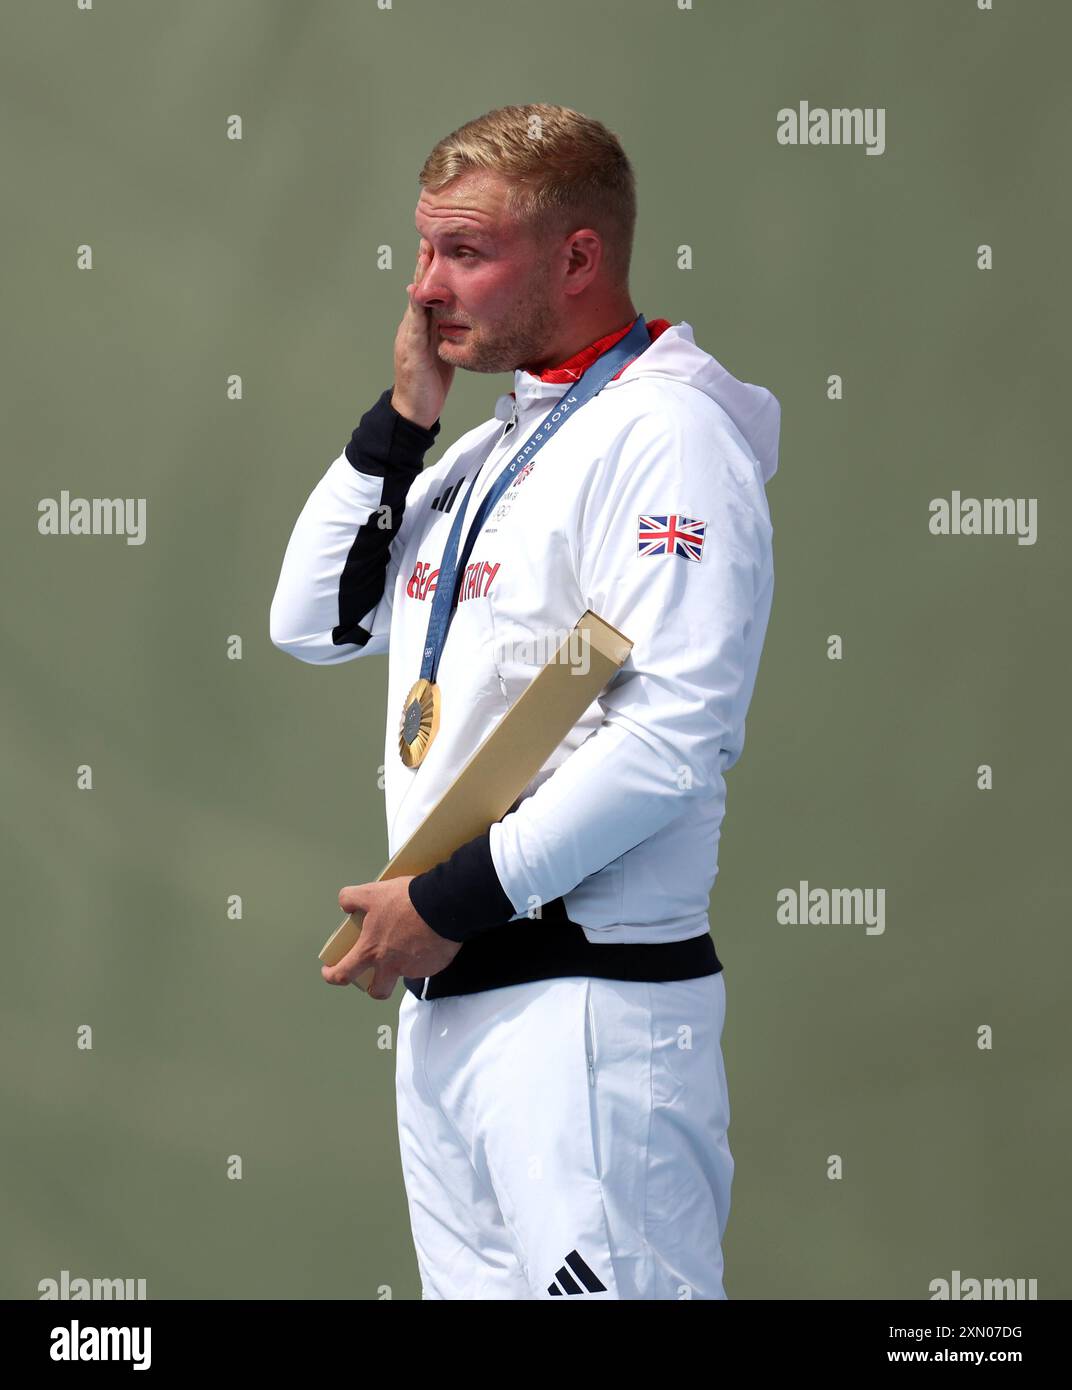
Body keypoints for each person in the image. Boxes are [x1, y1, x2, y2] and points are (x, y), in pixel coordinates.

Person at [269, 103, 780, 1300]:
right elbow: (311, 621)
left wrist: (445, 899)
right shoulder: (494, 447)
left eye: (463, 252)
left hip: (588, 1010)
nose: (423, 289)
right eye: (421, 249)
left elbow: (667, 742)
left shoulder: (667, 436)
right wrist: (403, 421)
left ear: (578, 257)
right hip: (453, 1009)